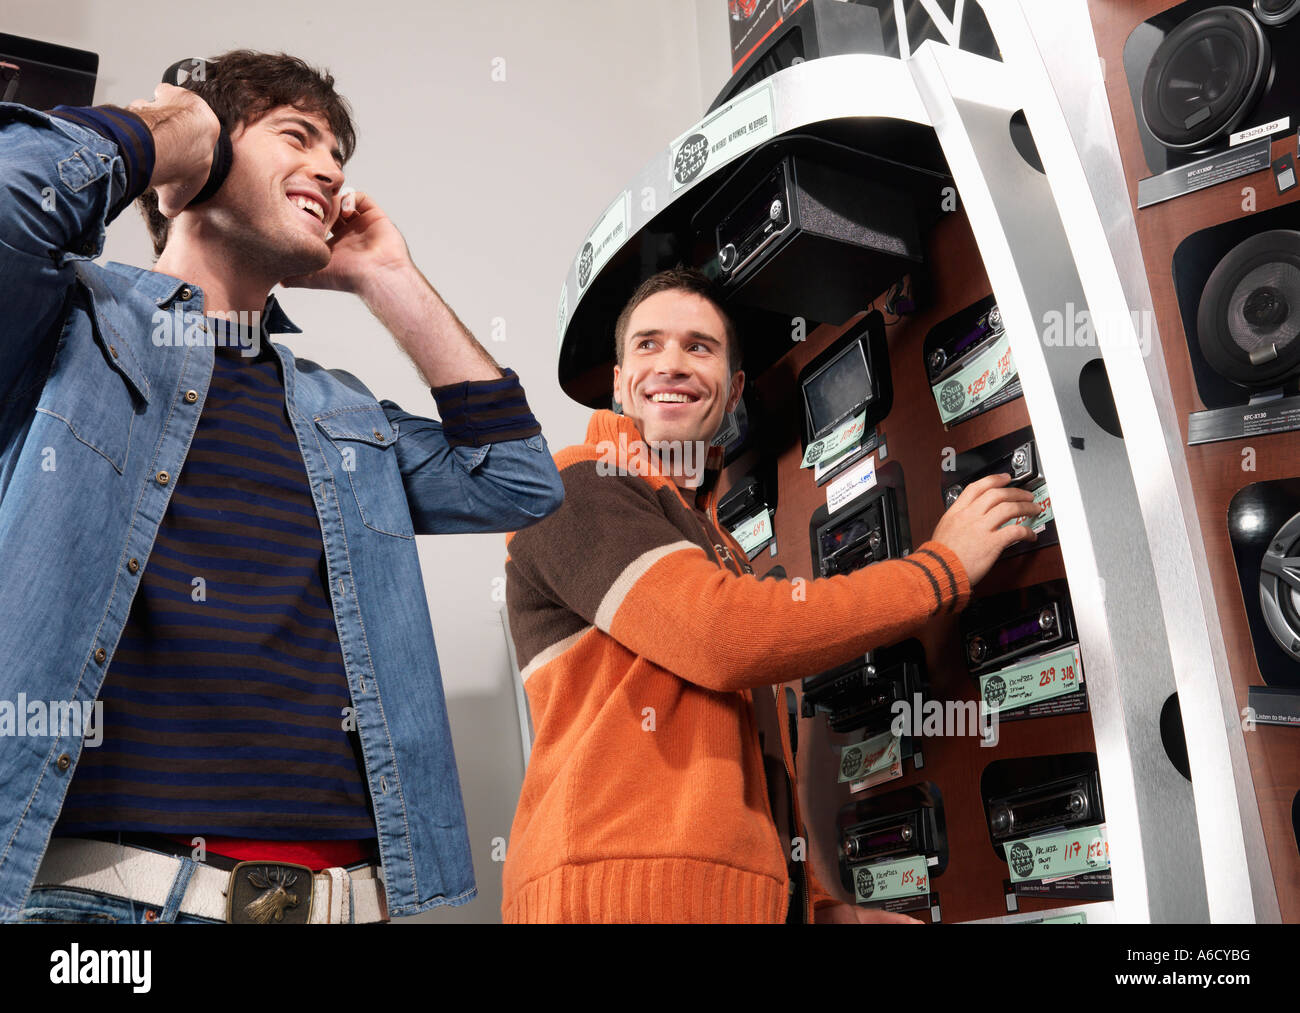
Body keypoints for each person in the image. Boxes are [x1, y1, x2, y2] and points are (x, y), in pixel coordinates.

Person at [0, 50, 563, 924]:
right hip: (109, 913)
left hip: (348, 905)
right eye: (297, 135)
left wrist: (388, 278)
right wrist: (176, 135)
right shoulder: (68, 328)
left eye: (340, 153)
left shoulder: (337, 411)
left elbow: (517, 482)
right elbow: (11, 202)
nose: (333, 170)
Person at [500, 267, 1038, 923]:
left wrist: (812, 906)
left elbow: (750, 756)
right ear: (618, 382)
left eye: (700, 347)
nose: (671, 364)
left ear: (734, 391)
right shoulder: (573, 485)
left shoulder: (715, 541)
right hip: (613, 902)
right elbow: (722, 636)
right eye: (648, 344)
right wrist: (938, 568)